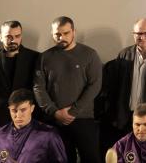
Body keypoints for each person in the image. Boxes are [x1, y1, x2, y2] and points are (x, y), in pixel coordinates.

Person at [34, 15, 104, 163]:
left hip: (83, 119)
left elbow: (95, 85)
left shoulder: (89, 54)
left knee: (91, 159)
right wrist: (54, 112)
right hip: (54, 120)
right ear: (52, 34)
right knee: (60, 160)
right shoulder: (45, 57)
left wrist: (73, 111)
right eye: (57, 34)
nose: (61, 37)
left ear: (74, 32)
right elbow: (38, 87)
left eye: (66, 33)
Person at [0, 89, 67, 163]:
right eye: (14, 110)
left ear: (32, 108)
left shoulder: (49, 135)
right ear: (9, 109)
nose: (18, 115)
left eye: (23, 110)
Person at [0, 20, 41, 128]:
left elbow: (37, 87)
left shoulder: (35, 57)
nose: (13, 40)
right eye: (9, 36)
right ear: (1, 37)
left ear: (21, 36)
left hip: (26, 115)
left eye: (17, 36)